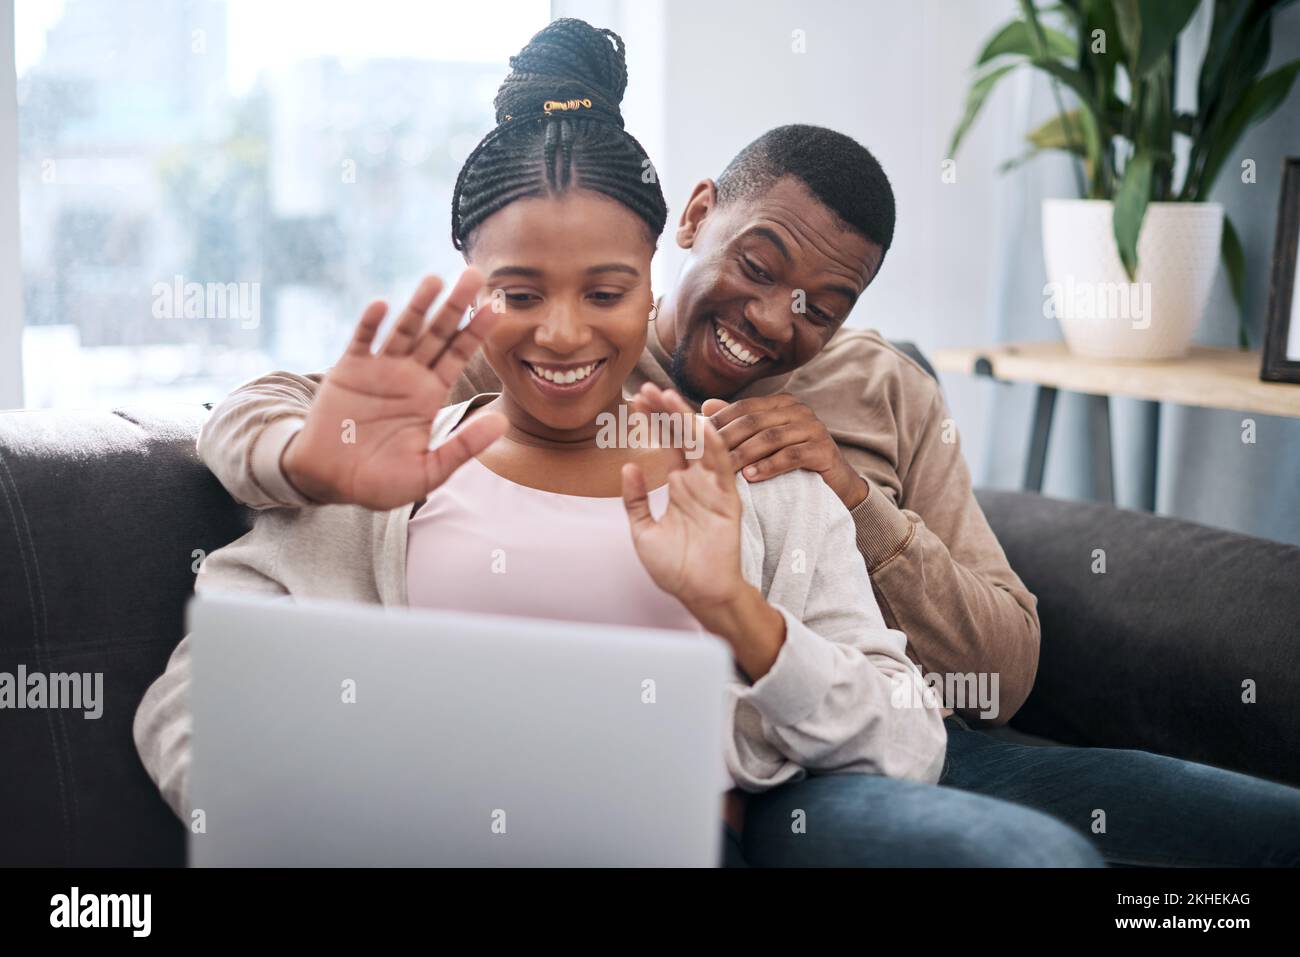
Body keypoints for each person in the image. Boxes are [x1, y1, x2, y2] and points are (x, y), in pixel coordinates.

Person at [170, 41, 1300, 867]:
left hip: (892, 723)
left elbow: (995, 674)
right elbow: (292, 423)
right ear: (695, 222)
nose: (772, 318)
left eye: (821, 301)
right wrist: (310, 465)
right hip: (769, 769)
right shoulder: (522, 365)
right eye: (758, 267)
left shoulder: (879, 391)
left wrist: (847, 493)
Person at [133, 18, 956, 866]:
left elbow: (909, 740)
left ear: (650, 288)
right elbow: (187, 707)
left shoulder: (761, 487)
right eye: (518, 294)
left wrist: (739, 612)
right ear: (467, 287)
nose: (562, 335)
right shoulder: (380, 480)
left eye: (606, 292)